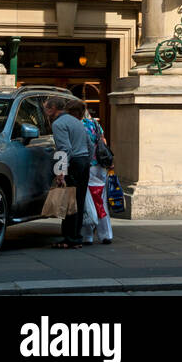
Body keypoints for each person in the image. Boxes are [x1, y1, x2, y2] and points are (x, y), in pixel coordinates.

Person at [43, 94, 92, 249]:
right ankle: (75, 237)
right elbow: (90, 144)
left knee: (69, 202)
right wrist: (87, 161)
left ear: (53, 109)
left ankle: (70, 239)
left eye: (46, 109)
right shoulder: (76, 121)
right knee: (79, 200)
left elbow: (65, 149)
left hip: (74, 163)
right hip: (83, 162)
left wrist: (60, 171)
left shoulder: (59, 124)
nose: (44, 112)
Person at [69, 98, 114, 245]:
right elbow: (103, 141)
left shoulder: (75, 126)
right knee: (99, 200)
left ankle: (89, 235)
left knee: (88, 202)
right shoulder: (94, 123)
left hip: (87, 166)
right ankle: (104, 234)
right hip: (100, 166)